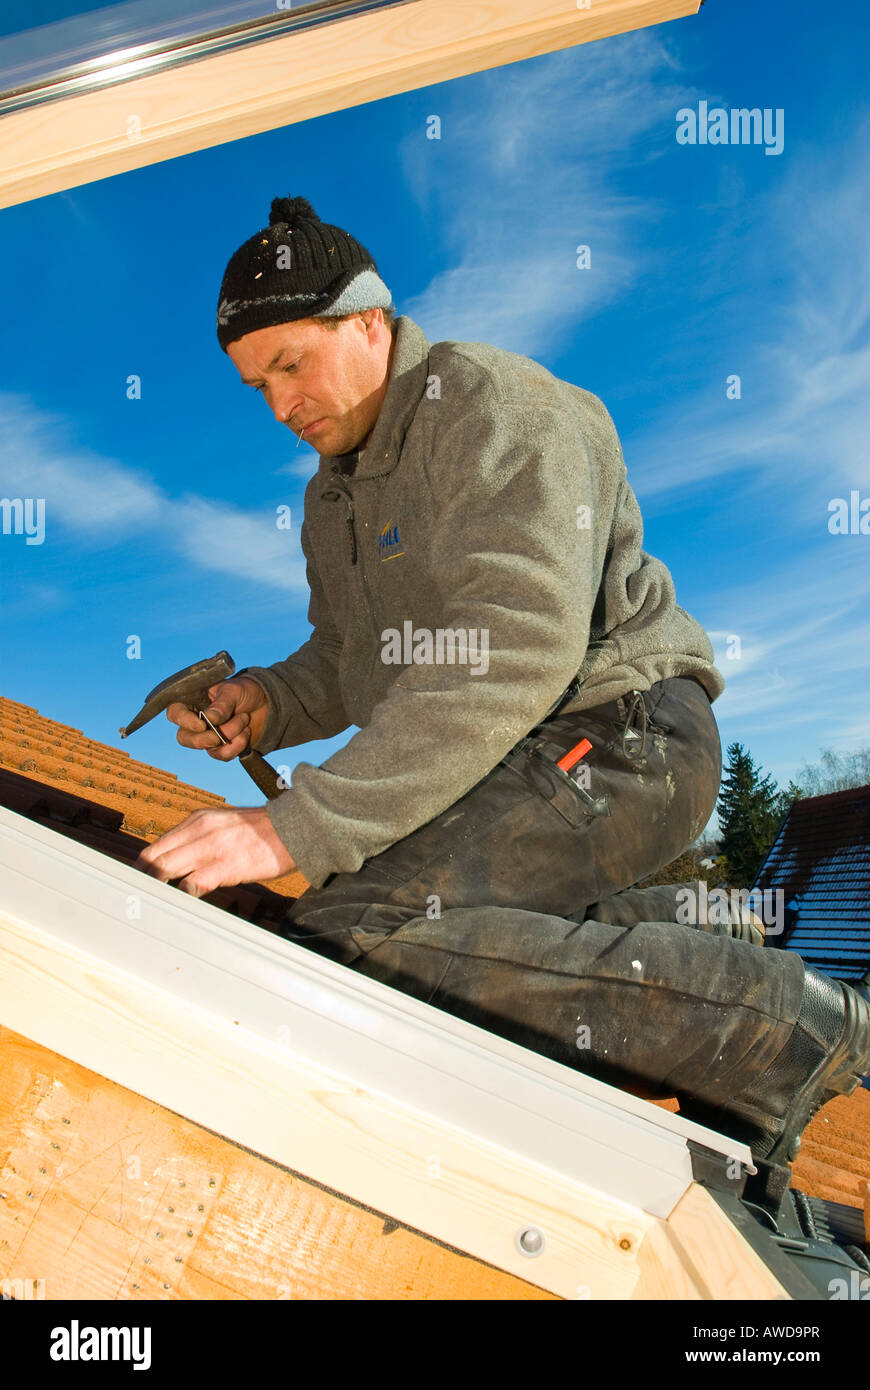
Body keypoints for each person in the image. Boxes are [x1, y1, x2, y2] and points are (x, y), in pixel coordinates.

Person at [136, 195, 870, 1183]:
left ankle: (783, 1031)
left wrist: (289, 829)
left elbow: (515, 641)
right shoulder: (334, 496)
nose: (277, 403)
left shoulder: (488, 404)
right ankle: (700, 959)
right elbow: (357, 658)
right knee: (403, 920)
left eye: (290, 364)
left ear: (367, 325)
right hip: (524, 748)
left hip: (625, 734)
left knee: (363, 921)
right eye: (253, 382)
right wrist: (268, 701)